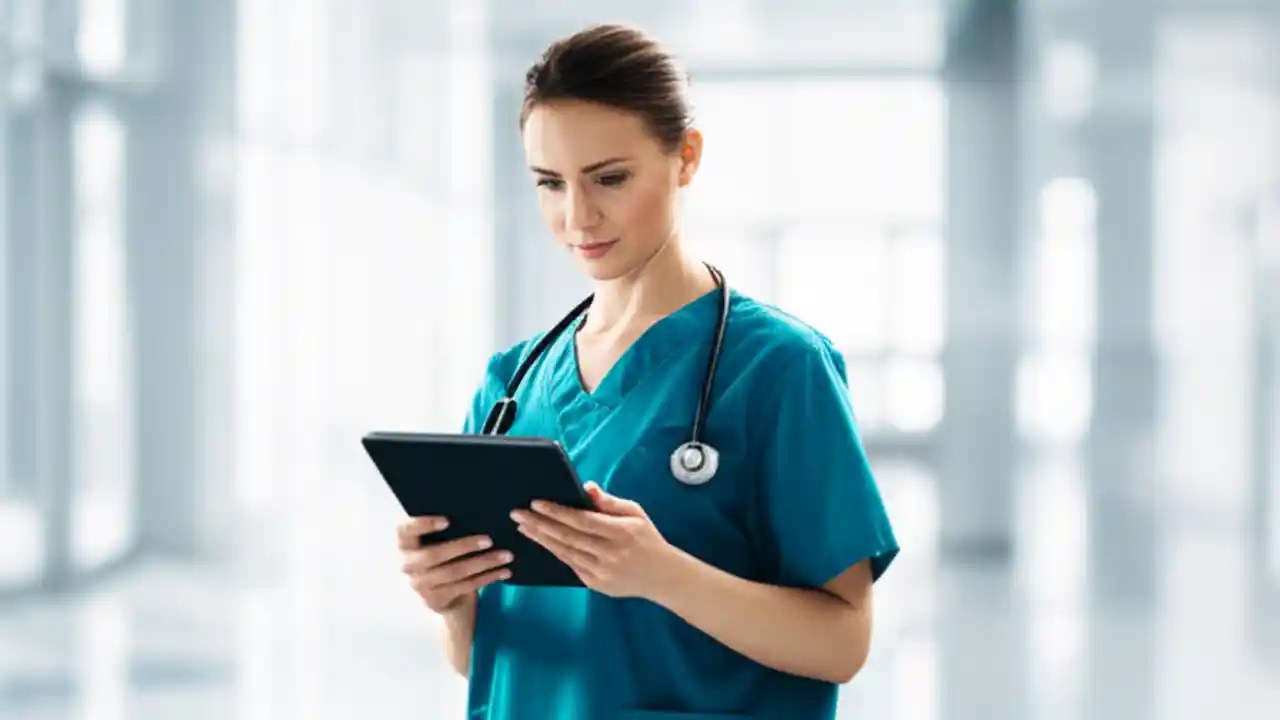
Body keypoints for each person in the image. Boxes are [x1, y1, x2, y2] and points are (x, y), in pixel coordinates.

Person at [394, 22, 899, 720]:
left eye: (610, 178)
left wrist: (662, 575)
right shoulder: (510, 385)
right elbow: (486, 660)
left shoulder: (778, 368)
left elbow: (842, 642)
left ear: (686, 157)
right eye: (550, 183)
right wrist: (451, 601)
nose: (577, 217)